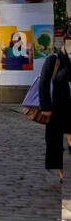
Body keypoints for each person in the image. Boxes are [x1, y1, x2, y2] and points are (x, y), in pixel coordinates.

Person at [37, 43, 71, 181]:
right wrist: (45, 107)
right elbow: (43, 83)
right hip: (56, 108)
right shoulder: (53, 60)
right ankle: (63, 173)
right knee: (55, 142)